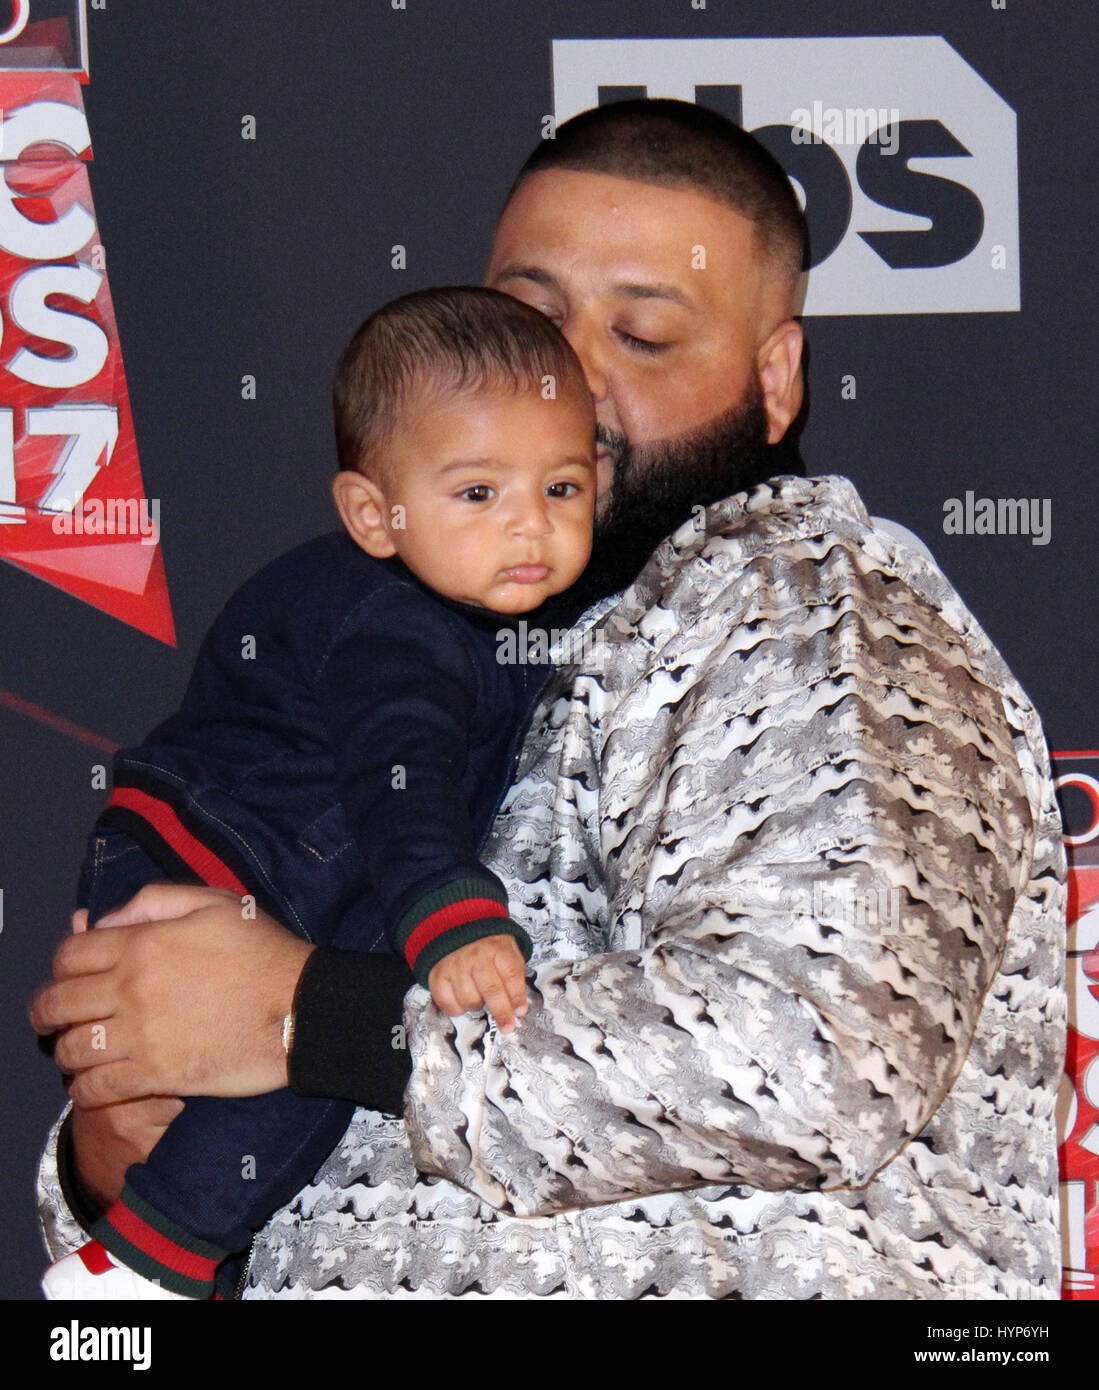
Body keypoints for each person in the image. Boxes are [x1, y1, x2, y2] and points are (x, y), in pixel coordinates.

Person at [32, 98, 1067, 1300]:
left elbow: (821, 1050)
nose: (562, 373)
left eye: (643, 333)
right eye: (528, 316)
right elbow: (241, 1064)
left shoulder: (815, 605)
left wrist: (306, 1016)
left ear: (774, 379)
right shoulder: (410, 627)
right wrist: (116, 1138)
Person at [39, 285, 600, 1299]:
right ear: (372, 516)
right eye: (478, 493)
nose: (531, 526)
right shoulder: (397, 622)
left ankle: (142, 1253)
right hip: (224, 859)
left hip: (232, 844)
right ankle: (147, 1265)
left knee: (305, 1031)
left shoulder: (466, 598)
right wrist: (451, 914)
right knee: (310, 1037)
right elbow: (400, 780)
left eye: (562, 487)